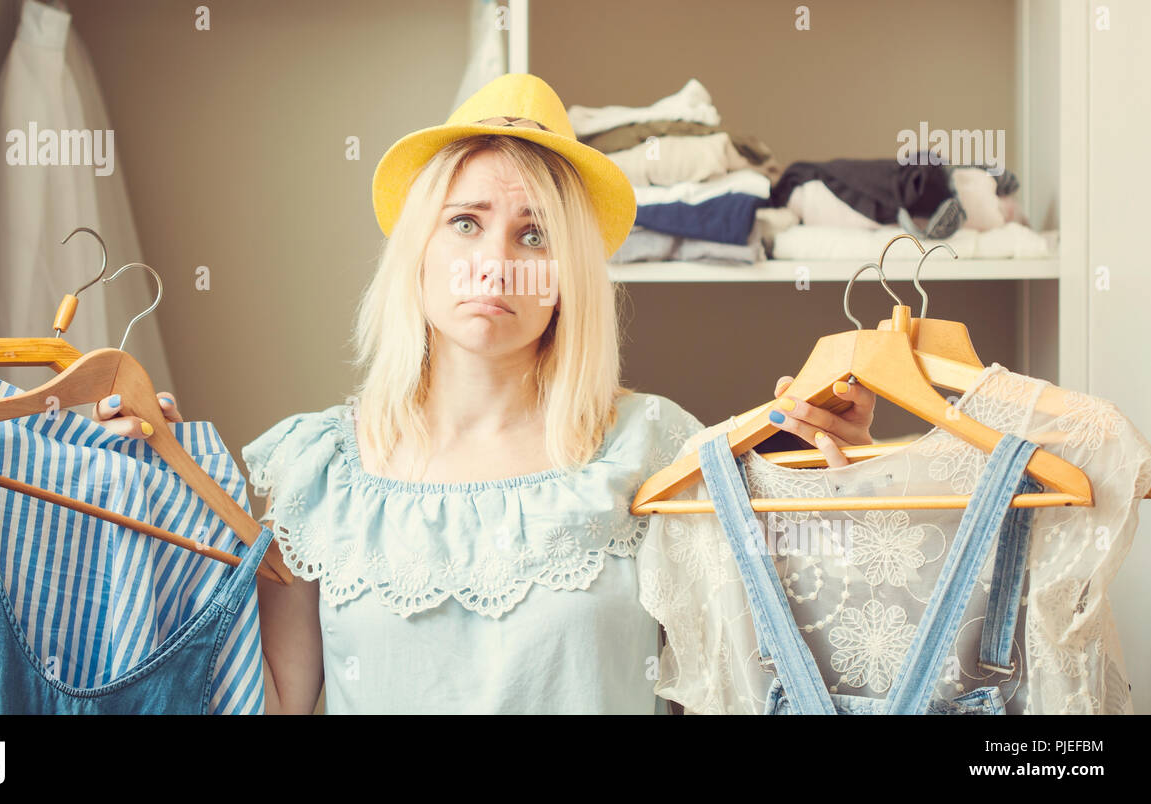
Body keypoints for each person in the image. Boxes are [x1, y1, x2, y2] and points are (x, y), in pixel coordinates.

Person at [93, 73, 876, 713]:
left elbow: (749, 682)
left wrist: (836, 486)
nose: (495, 263)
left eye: (534, 234)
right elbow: (271, 704)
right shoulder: (316, 471)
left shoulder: (661, 452)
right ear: (418, 251)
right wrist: (161, 499)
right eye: (465, 222)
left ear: (566, 277)